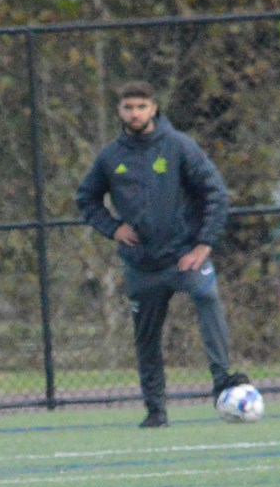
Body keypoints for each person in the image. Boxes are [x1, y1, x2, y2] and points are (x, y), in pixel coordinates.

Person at [75, 80, 249, 428]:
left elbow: (216, 194)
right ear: (119, 111)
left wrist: (203, 244)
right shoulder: (111, 157)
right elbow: (86, 199)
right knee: (146, 336)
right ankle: (156, 409)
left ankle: (222, 381)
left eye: (141, 106)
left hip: (185, 256)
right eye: (128, 107)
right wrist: (113, 228)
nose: (135, 113)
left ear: (154, 108)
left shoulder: (179, 146)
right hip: (142, 265)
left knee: (206, 295)